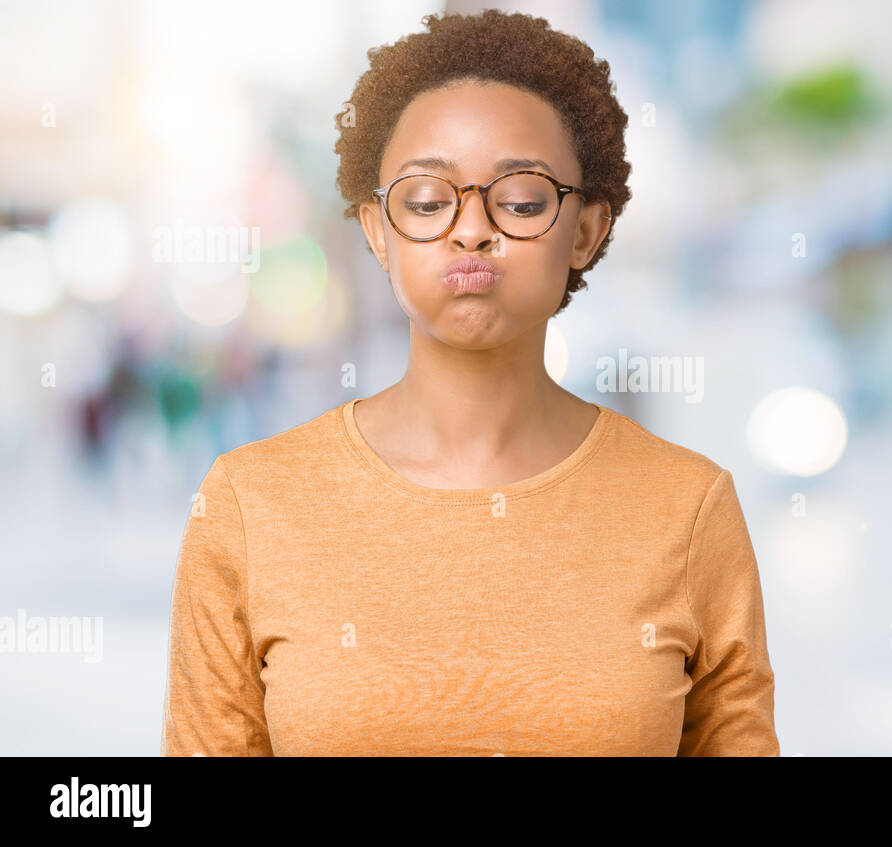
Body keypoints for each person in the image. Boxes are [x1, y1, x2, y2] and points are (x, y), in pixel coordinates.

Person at [161, 9, 778, 756]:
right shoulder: (247, 504)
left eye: (520, 201)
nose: (471, 228)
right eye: (426, 201)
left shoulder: (690, 509)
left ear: (586, 230)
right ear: (377, 230)